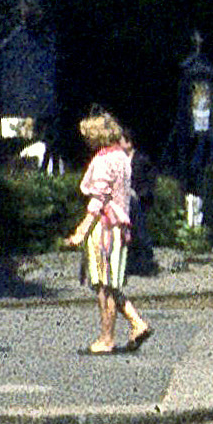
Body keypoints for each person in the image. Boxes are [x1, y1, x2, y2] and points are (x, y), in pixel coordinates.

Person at [70, 109, 153, 354]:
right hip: (120, 228)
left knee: (103, 286)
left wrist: (81, 231)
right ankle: (137, 322)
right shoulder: (122, 158)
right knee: (111, 283)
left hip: (103, 227)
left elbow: (98, 200)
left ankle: (107, 338)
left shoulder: (104, 160)